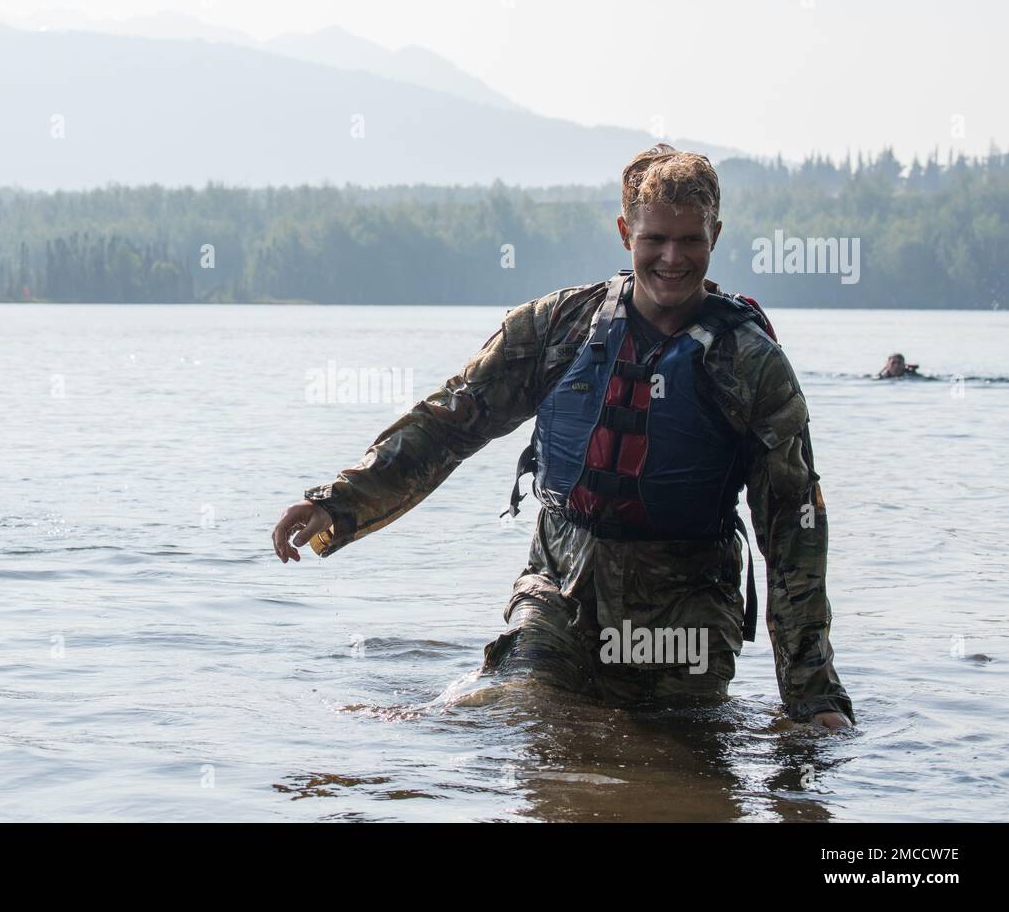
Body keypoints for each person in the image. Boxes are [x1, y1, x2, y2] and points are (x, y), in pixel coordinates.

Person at [272, 144, 855, 730]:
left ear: (716, 236)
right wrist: (337, 502)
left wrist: (813, 698)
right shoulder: (557, 328)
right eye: (654, 239)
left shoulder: (751, 364)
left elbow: (794, 529)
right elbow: (447, 422)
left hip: (684, 619)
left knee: (671, 751)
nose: (672, 258)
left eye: (690, 241)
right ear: (625, 233)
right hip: (557, 595)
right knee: (515, 708)